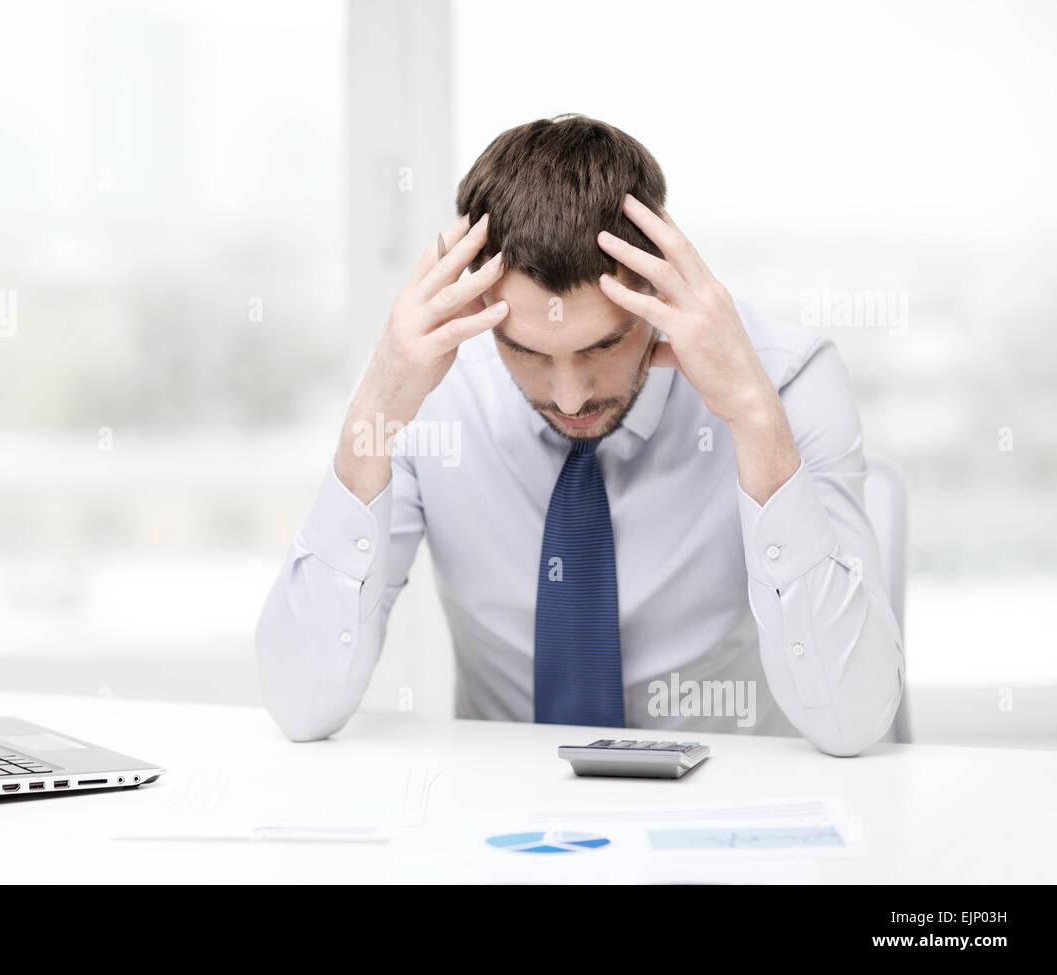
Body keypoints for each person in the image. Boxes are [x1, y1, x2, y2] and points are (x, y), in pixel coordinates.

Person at [255, 114, 903, 756]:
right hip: (504, 827)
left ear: (657, 287)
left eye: (604, 344)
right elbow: (302, 705)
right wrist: (374, 411)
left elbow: (851, 721)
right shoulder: (432, 384)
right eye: (528, 351)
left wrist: (754, 418)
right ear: (482, 309)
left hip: (725, 822)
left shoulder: (789, 377)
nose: (569, 397)